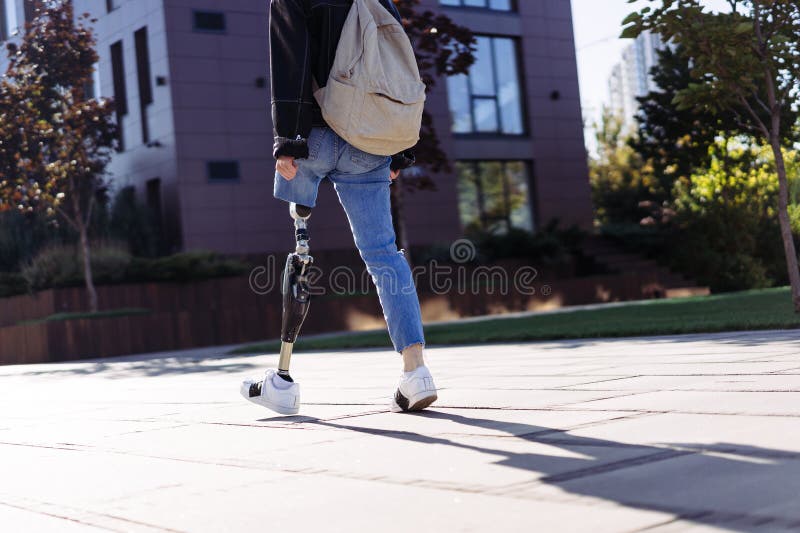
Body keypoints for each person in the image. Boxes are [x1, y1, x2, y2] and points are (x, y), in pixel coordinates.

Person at [242, 0, 437, 414]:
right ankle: (416, 371)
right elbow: (399, 67)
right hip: (369, 139)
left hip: (312, 136)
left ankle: (282, 380)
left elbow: (290, 59)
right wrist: (399, 151)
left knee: (300, 253)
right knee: (384, 254)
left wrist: (287, 141)